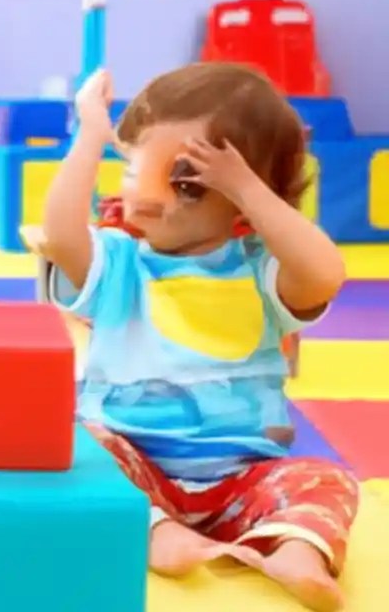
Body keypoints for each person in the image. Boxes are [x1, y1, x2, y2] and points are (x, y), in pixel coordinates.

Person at [43, 63, 356, 612]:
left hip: (241, 478)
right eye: (139, 172)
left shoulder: (263, 273)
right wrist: (91, 133)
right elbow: (60, 234)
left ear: (248, 202)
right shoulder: (120, 263)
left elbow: (326, 273)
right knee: (77, 447)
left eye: (186, 185)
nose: (149, 199)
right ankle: (158, 533)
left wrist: (247, 188)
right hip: (134, 461)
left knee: (325, 478)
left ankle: (296, 552)